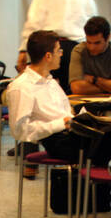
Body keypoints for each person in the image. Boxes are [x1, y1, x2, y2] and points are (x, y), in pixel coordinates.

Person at [18, 0, 97, 93]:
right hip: (76, 49)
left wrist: (24, 50)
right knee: (70, 92)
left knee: (41, 90)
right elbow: (93, 28)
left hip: (49, 48)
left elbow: (34, 21)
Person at [7, 30, 78, 161]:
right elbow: (20, 130)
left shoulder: (50, 82)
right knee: (110, 145)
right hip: (57, 140)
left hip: (71, 133)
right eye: (59, 51)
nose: (61, 54)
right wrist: (61, 124)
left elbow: (66, 111)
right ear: (48, 56)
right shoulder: (22, 86)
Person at [65, 16, 111, 97]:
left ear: (108, 38)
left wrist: (95, 80)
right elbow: (77, 88)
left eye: (97, 43)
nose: (91, 47)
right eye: (88, 42)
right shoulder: (79, 51)